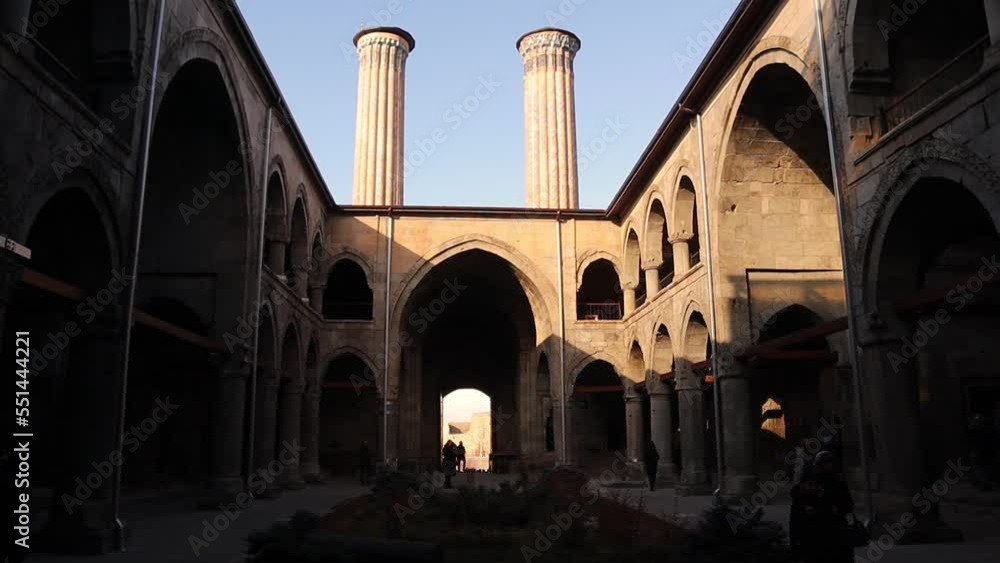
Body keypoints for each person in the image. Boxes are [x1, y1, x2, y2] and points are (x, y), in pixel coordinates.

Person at [790, 450, 855, 563]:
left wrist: (838, 509)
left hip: (834, 533)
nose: (829, 466)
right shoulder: (809, 483)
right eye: (826, 463)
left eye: (831, 463)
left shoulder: (837, 483)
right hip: (814, 535)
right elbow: (797, 508)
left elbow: (848, 504)